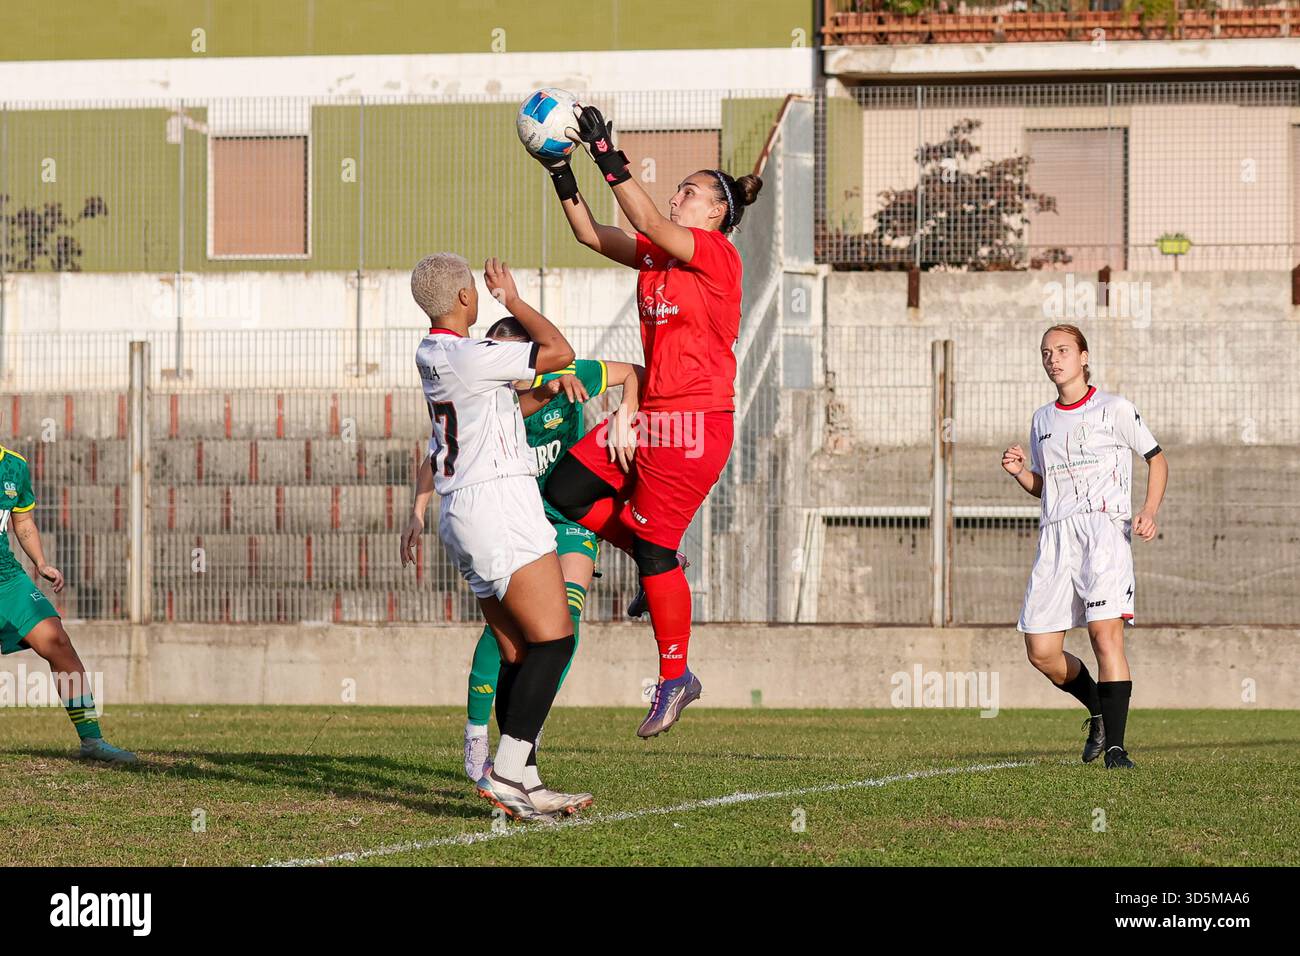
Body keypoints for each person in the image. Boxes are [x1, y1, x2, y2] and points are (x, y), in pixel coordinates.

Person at [533, 101, 763, 737]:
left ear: (717, 213)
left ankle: (675, 676)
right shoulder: (660, 257)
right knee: (565, 491)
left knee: (658, 548)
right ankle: (657, 569)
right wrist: (561, 169)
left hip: (695, 425)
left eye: (691, 192)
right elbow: (589, 234)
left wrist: (608, 153)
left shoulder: (716, 255)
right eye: (679, 189)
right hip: (652, 415)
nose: (678, 195)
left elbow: (638, 214)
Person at [400, 253, 586, 821]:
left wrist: (543, 394)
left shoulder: (432, 352)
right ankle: (505, 769)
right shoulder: (469, 353)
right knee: (555, 643)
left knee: (515, 651)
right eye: (474, 292)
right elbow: (560, 353)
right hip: (499, 505)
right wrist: (514, 300)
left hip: (463, 510)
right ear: (464, 298)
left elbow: (495, 407)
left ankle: (524, 780)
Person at [462, 314, 644, 814]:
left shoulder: (565, 375)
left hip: (567, 516)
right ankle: (482, 737)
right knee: (516, 639)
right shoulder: (490, 400)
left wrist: (626, 415)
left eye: (512, 359)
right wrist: (417, 508)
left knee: (564, 624)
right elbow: (442, 449)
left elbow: (636, 373)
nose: (503, 369)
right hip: (516, 522)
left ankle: (522, 749)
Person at [1002, 324, 1168, 770]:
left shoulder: (1114, 408)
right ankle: (1097, 709)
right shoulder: (1042, 419)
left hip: (1104, 533)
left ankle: (1116, 749)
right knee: (1041, 651)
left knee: (1104, 635)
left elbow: (1156, 458)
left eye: (1061, 350)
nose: (1053, 359)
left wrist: (1148, 511)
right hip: (1056, 536)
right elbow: (1047, 488)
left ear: (1083, 356)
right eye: (1045, 352)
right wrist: (1021, 474)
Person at [0, 445, 136, 763]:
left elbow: (23, 523)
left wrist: (41, 562)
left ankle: (92, 741)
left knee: (57, 640)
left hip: (6, 578)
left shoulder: (14, 466)